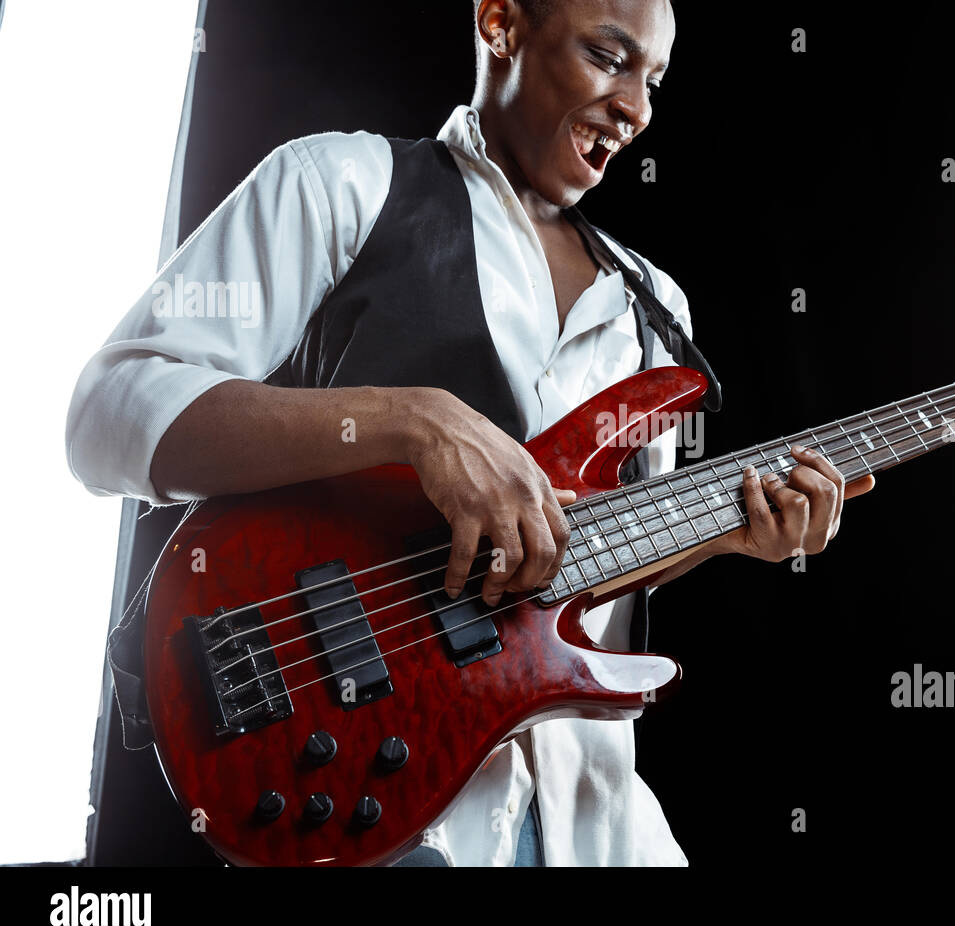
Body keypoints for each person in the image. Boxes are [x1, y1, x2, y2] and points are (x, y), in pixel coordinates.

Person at [65, 0, 867, 866]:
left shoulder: (656, 308)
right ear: (500, 23)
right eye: (609, 56)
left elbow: (578, 558)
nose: (636, 108)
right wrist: (413, 422)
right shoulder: (341, 183)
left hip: (597, 820)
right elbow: (107, 415)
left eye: (653, 81)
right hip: (368, 796)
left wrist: (725, 533)